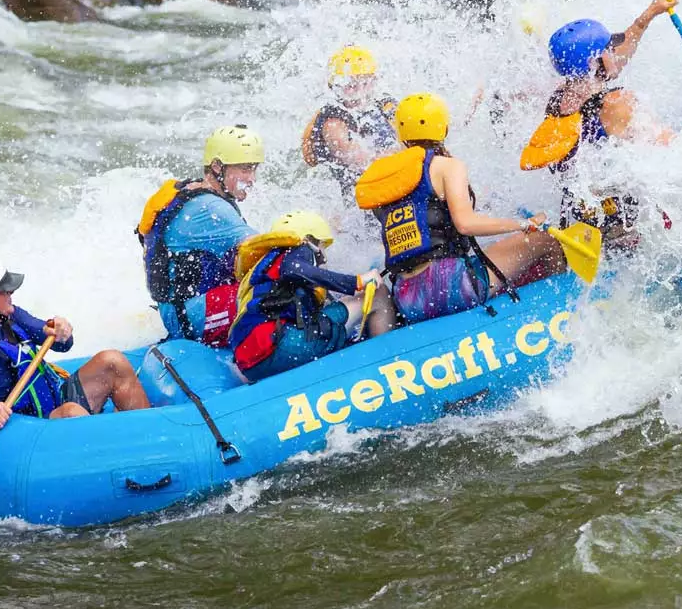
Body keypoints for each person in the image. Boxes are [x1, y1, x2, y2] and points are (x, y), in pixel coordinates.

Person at [520, 0, 682, 238]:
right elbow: (680, 156)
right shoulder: (618, 105)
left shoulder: (561, 98)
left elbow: (617, 57)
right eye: (609, 49)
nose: (615, 51)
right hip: (623, 228)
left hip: (583, 219)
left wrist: (648, 15)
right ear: (596, 63)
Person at [356, 92, 563, 324]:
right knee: (546, 241)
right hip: (450, 288)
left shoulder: (384, 179)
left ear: (401, 134)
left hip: (408, 299)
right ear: (443, 128)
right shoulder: (447, 166)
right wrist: (525, 224)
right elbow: (465, 224)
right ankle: (553, 309)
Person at [0, 255, 150, 427]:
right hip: (28, 424)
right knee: (72, 413)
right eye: (5, 291)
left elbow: (62, 344)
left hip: (55, 396)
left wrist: (61, 331)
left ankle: (149, 433)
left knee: (111, 361)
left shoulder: (10, 315)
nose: (12, 293)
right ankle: (119, 454)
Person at [136, 125, 263, 345]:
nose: (251, 178)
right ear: (217, 167)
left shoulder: (192, 191)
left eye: (254, 169)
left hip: (179, 310)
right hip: (190, 319)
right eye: (244, 169)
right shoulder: (210, 208)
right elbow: (267, 249)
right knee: (274, 293)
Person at [226, 210, 388, 381]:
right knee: (379, 294)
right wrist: (356, 281)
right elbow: (294, 268)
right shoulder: (301, 248)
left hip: (251, 365)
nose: (325, 257)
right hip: (282, 346)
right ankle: (388, 363)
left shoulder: (267, 268)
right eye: (324, 248)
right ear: (313, 241)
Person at [300, 46, 399, 197]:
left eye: (365, 83)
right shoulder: (332, 121)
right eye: (351, 85)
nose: (359, 90)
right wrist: (400, 156)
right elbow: (359, 162)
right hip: (358, 197)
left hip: (391, 184)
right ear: (335, 86)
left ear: (374, 80)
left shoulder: (384, 107)